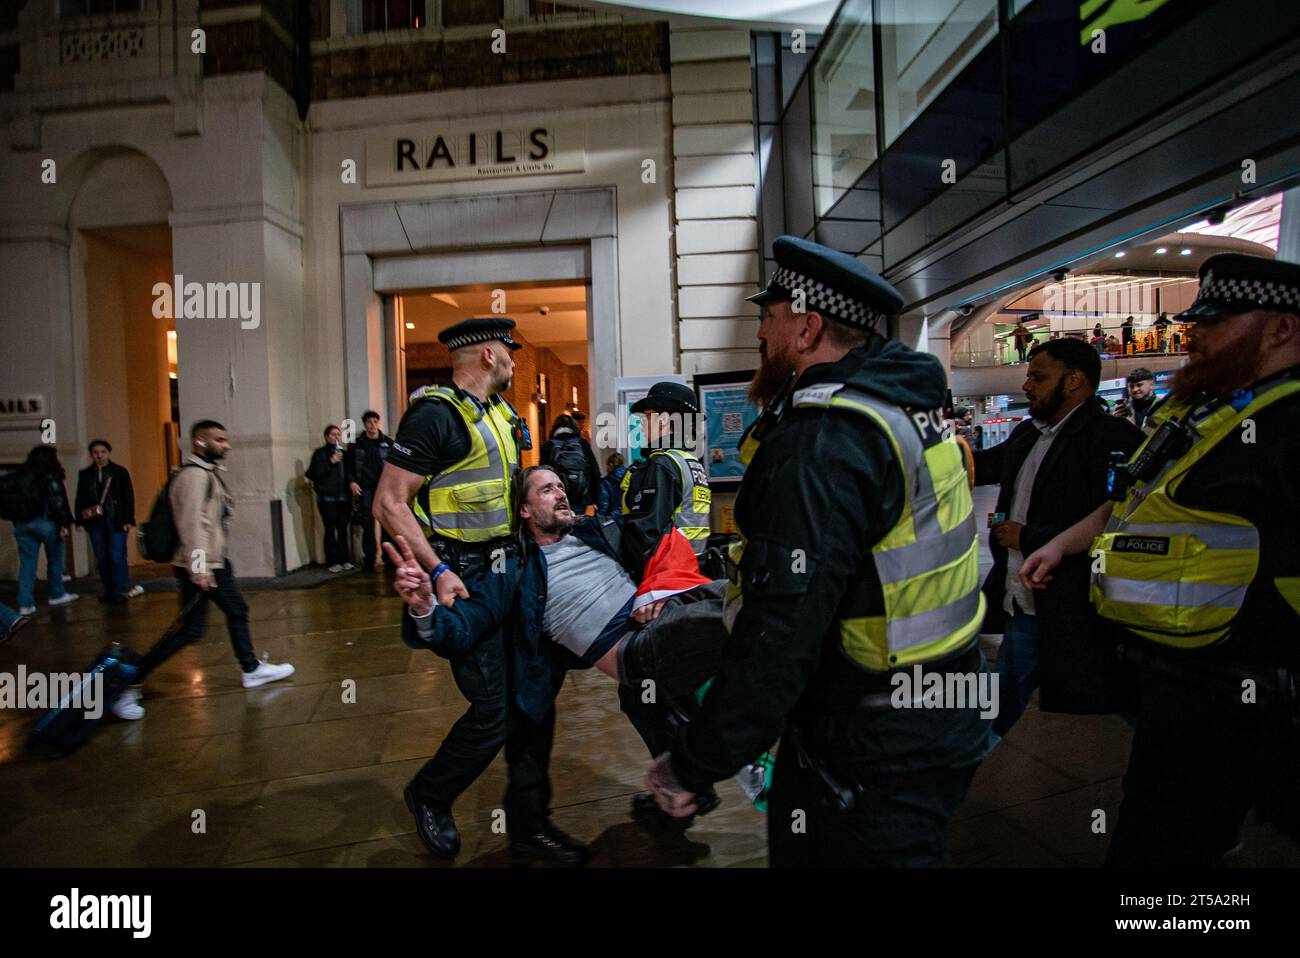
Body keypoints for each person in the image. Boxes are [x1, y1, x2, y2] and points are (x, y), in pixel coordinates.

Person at [645, 236, 996, 866]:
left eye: (769, 316)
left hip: (874, 740)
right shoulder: (903, 404)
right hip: (941, 706)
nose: (760, 331)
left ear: (807, 328)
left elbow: (781, 635)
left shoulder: (827, 437)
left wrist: (695, 763)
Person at [1020, 253, 1300, 867]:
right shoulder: (1201, 411)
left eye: (1218, 320)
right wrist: (1061, 543)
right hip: (1173, 687)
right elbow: (1128, 500)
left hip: (1241, 692)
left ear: (1281, 328)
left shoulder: (1289, 423)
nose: (1194, 333)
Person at [374, 317, 583, 865]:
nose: (516, 361)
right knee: (493, 711)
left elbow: (509, 489)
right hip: (467, 579)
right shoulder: (434, 416)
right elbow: (389, 502)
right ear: (489, 355)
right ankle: (431, 793)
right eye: (510, 352)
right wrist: (437, 569)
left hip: (517, 567)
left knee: (533, 702)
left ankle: (531, 828)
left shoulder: (503, 415)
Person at [972, 339, 1143, 736]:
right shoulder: (1028, 435)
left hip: (1072, 605)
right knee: (997, 702)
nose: (1027, 385)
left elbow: (1121, 516)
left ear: (1075, 380)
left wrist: (1030, 536)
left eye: (1038, 376)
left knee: (1119, 699)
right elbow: (981, 467)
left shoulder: (1110, 438)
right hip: (1023, 597)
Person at [113, 421, 296, 722]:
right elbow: (192, 525)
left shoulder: (206, 474)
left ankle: (251, 668)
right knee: (193, 628)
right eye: (219, 440)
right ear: (199, 442)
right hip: (201, 565)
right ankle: (130, 682)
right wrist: (201, 569)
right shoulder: (195, 477)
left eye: (226, 440)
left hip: (210, 563)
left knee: (225, 614)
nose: (227, 445)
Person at [614, 380, 716, 824]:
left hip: (662, 592)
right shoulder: (691, 463)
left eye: (650, 416)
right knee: (670, 689)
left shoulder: (659, 467)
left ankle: (687, 785)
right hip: (688, 586)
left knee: (641, 692)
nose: (644, 424)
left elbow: (644, 535)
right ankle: (685, 788)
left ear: (666, 420)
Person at [12, 445, 78, 616]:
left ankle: (25, 604)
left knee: (27, 564)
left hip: (22, 524)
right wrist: (65, 522)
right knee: (55, 558)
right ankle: (57, 594)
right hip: (46, 522)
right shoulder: (51, 475)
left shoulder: (20, 475)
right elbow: (58, 501)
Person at [74, 439, 138, 604]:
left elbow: (128, 497)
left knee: (117, 556)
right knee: (101, 557)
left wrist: (128, 519)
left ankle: (120, 590)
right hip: (95, 521)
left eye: (103, 452)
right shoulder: (86, 474)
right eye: (96, 452)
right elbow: (80, 498)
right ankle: (109, 589)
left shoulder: (119, 472)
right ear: (91, 455)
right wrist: (79, 521)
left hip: (115, 520)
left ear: (108, 453)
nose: (99, 455)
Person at [345, 410, 392, 571]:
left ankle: (389, 558)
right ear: (364, 424)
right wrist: (352, 482)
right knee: (368, 524)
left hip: (384, 488)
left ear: (378, 423)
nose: (372, 425)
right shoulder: (356, 445)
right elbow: (349, 466)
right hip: (365, 488)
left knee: (387, 524)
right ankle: (370, 559)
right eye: (369, 422)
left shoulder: (388, 443)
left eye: (375, 422)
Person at [306, 425, 354, 572]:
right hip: (328, 498)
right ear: (327, 437)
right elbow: (312, 474)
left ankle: (345, 559)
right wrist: (330, 462)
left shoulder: (344, 454)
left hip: (343, 496)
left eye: (338, 435)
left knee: (343, 529)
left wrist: (352, 483)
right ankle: (332, 561)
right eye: (333, 435)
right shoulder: (320, 454)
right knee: (330, 529)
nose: (336, 437)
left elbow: (349, 472)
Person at [540, 414, 600, 514]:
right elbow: (595, 472)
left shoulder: (549, 445)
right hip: (580, 496)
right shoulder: (582, 443)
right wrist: (595, 498)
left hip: (556, 496)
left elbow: (542, 474)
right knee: (577, 523)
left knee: (560, 524)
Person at [596, 451, 628, 518]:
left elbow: (604, 505)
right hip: (630, 518)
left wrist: (598, 519)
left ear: (610, 465)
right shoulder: (631, 476)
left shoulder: (606, 482)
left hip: (614, 519)